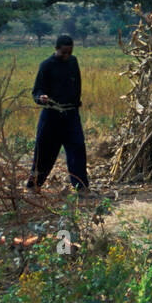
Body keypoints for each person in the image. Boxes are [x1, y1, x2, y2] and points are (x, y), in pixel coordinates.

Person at [26, 34, 89, 194]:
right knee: (44, 152)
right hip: (51, 116)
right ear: (56, 49)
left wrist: (75, 105)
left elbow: (77, 86)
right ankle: (34, 186)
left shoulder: (73, 62)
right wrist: (41, 98)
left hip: (71, 115)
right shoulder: (46, 65)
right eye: (63, 53)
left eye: (69, 52)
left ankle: (81, 187)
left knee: (77, 150)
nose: (66, 56)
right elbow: (37, 91)